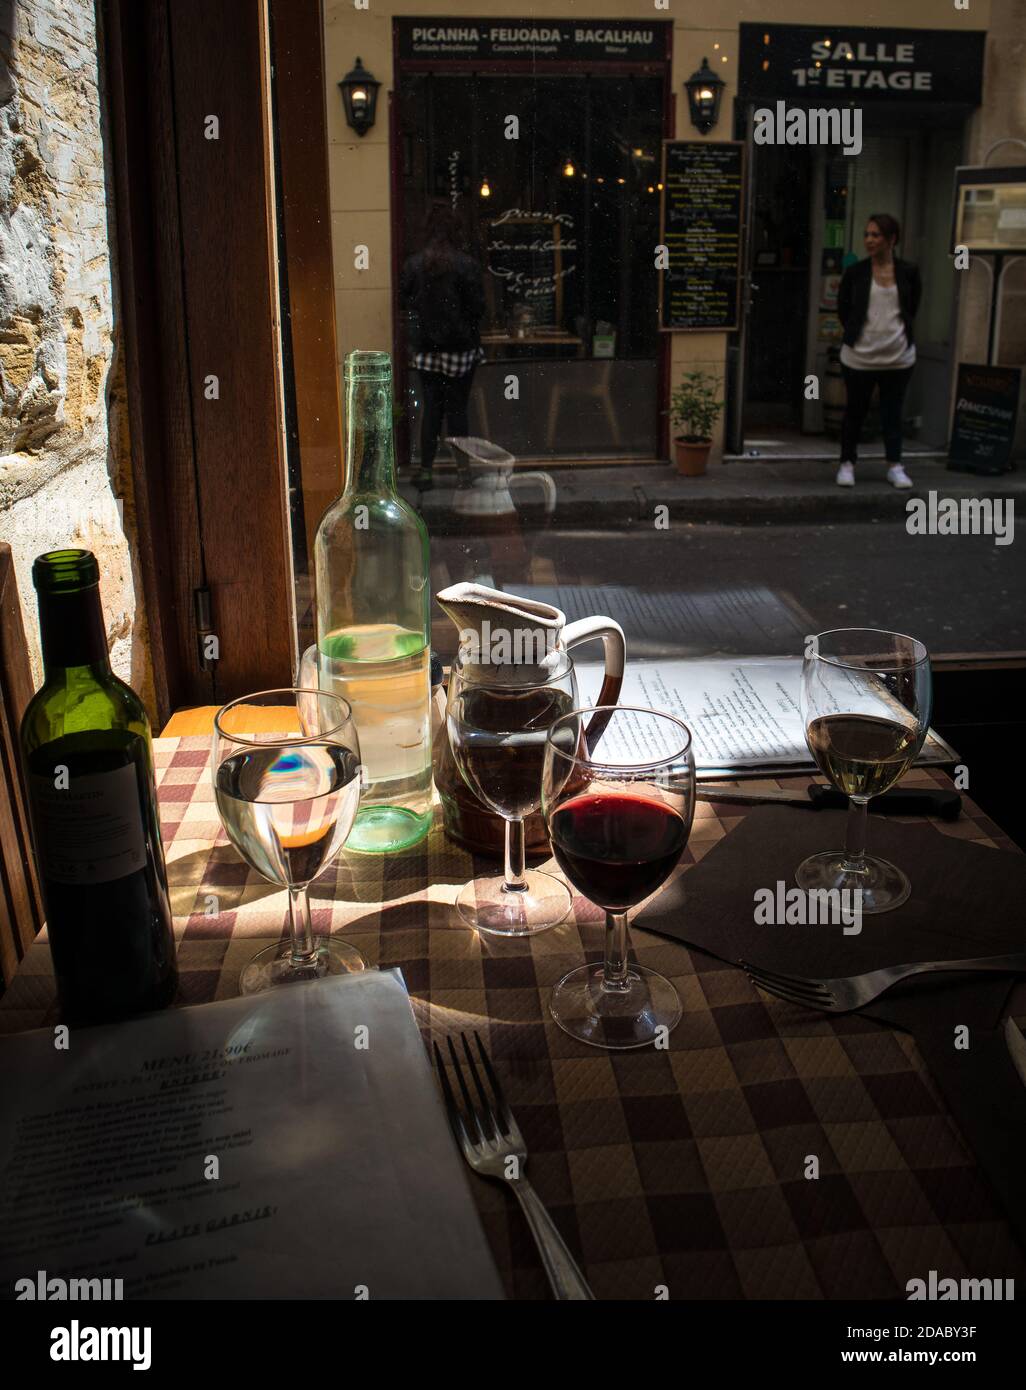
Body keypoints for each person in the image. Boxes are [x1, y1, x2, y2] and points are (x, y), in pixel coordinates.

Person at [399, 208, 485, 489]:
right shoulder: (467, 265)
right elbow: (478, 309)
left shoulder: (414, 265)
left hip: (426, 350)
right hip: (460, 350)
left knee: (432, 410)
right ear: (456, 232)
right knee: (457, 411)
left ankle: (425, 471)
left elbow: (406, 302)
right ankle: (463, 473)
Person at [835, 214, 921, 489]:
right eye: (867, 235)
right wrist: (858, 334)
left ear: (892, 239)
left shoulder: (908, 271)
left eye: (876, 235)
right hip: (860, 356)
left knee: (892, 413)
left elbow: (911, 307)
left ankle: (895, 466)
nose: (869, 240)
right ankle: (847, 463)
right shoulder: (856, 272)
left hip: (897, 357)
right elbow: (844, 309)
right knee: (855, 412)